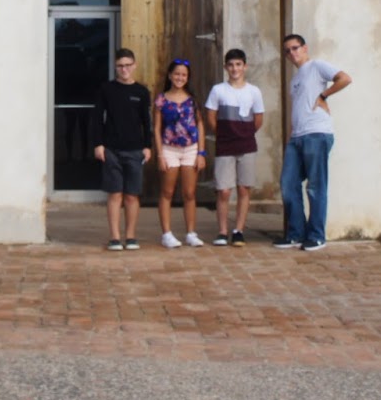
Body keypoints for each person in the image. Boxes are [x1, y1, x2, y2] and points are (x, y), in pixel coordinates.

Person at [277, 34, 351, 251]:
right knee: (288, 185)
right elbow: (298, 108)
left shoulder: (317, 66)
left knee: (316, 187)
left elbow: (345, 78)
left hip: (317, 134)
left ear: (305, 48)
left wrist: (324, 96)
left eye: (295, 48)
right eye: (288, 50)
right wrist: (292, 134)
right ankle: (296, 234)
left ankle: (317, 236)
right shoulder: (295, 80)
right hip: (297, 137)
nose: (292, 53)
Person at [90, 47, 154, 250]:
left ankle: (131, 236)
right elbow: (97, 118)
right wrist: (98, 144)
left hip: (135, 150)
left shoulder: (142, 92)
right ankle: (115, 237)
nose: (124, 69)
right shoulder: (106, 89)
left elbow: (147, 121)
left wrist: (147, 146)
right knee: (115, 193)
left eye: (127, 65)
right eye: (120, 66)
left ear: (134, 66)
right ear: (115, 67)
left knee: (132, 195)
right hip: (111, 149)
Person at [203, 48, 264, 247]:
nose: (234, 68)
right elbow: (211, 116)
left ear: (244, 66)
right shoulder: (218, 90)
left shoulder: (254, 91)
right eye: (230, 65)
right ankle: (222, 231)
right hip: (225, 145)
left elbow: (258, 119)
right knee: (224, 190)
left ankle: (238, 230)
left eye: (238, 64)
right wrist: (223, 133)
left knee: (244, 188)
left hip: (246, 145)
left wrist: (244, 133)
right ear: (225, 67)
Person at [153, 58, 206, 248]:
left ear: (188, 77)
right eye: (176, 74)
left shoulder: (193, 99)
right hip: (169, 149)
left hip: (190, 149)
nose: (180, 77)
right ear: (169, 75)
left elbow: (200, 124)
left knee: (189, 193)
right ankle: (166, 233)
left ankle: (191, 232)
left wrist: (201, 152)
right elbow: (157, 128)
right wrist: (160, 155)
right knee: (167, 192)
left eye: (183, 75)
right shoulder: (161, 99)